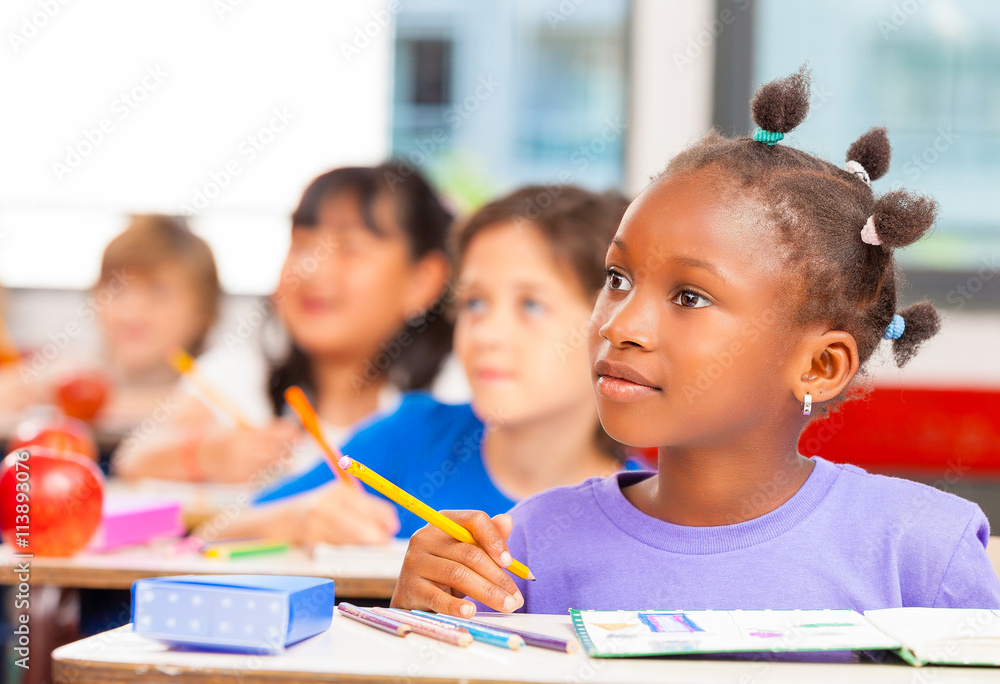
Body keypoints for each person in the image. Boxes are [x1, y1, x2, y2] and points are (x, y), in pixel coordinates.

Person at [389, 68, 1000, 617]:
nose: (619, 324)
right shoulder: (523, 546)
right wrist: (414, 622)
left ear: (819, 364)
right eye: (617, 279)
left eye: (688, 297)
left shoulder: (920, 552)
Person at [220, 185, 645, 547]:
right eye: (474, 303)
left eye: (531, 305)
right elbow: (213, 533)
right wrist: (295, 520)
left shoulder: (653, 504)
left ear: (612, 324)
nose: (485, 334)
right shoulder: (412, 436)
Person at [113, 165, 453, 503]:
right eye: (302, 246)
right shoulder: (243, 373)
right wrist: (207, 454)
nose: (312, 269)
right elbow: (133, 458)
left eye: (350, 249)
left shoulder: (453, 394)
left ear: (421, 280)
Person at [0, 214, 221, 425]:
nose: (131, 310)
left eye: (158, 291)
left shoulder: (215, 383)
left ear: (203, 314)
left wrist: (89, 405)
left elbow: (198, 408)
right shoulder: (72, 369)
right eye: (116, 289)